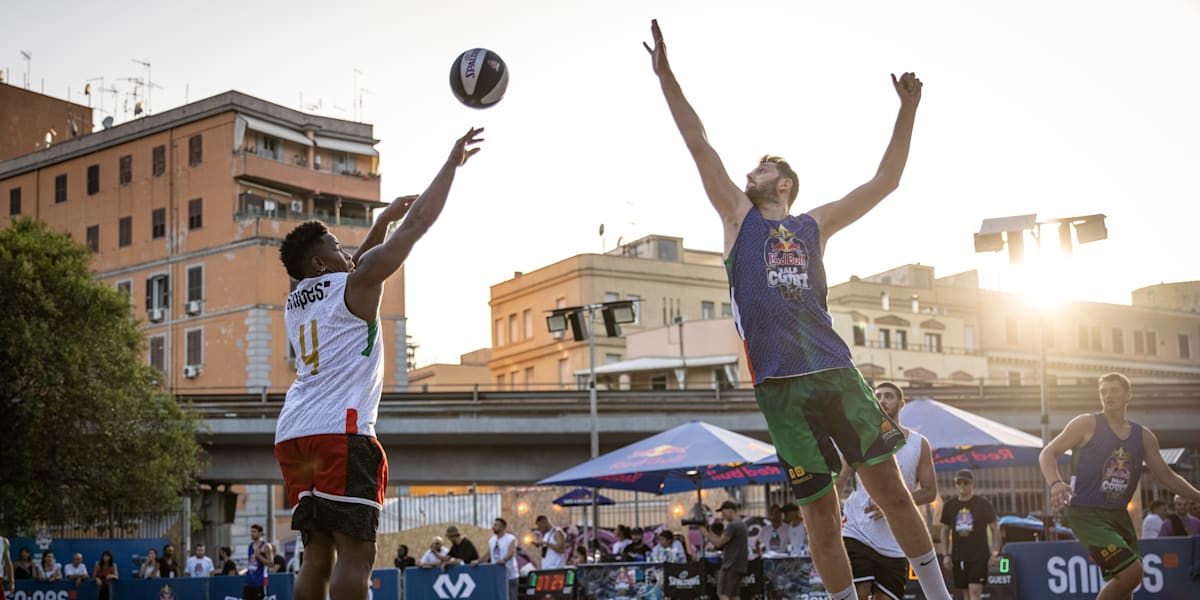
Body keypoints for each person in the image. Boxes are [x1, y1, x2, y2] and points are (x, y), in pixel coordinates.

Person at [643, 18, 947, 600]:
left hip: (834, 370)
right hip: (780, 386)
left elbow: (886, 180)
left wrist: (907, 109)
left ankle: (939, 596)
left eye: (764, 167)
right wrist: (666, 73)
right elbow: (696, 139)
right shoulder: (737, 217)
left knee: (890, 489)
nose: (750, 171)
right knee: (820, 517)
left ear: (786, 184)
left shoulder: (814, 225)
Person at [275, 127, 484, 600]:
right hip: (341, 432)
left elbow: (356, 262)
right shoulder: (355, 283)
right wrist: (449, 165)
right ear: (318, 263)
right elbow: (417, 227)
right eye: (333, 243)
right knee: (356, 553)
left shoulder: (296, 301)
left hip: (294, 434)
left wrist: (382, 219)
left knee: (317, 554)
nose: (344, 249)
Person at [1039, 372, 1200, 600]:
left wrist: (1197, 496)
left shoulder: (1143, 436)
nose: (1108, 396)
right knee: (1131, 574)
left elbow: (1166, 475)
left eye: (1114, 390)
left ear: (1128, 395)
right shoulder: (1086, 423)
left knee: (1125, 587)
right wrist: (1055, 483)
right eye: (1103, 392)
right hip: (1086, 513)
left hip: (1118, 515)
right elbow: (1047, 453)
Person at [838, 381, 937, 600]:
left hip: (896, 539)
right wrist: (830, 518)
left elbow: (929, 492)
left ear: (901, 404)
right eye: (879, 396)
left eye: (889, 396)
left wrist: (892, 505)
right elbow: (840, 479)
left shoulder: (919, 444)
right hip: (857, 530)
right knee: (859, 594)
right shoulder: (859, 437)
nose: (882, 400)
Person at [938, 469, 999, 600]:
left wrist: (995, 552)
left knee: (975, 591)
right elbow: (944, 530)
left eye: (966, 482)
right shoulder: (949, 505)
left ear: (972, 484)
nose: (962, 486)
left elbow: (995, 528)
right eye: (959, 482)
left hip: (979, 555)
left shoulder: (983, 504)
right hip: (958, 555)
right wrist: (946, 555)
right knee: (965, 592)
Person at [702, 500, 749, 600]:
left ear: (730, 510)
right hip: (740, 565)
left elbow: (719, 543)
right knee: (734, 595)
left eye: (723, 512)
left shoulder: (732, 526)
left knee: (723, 593)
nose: (722, 516)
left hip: (730, 565)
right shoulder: (742, 525)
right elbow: (721, 541)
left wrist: (705, 533)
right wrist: (709, 530)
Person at [472, 517, 518, 598]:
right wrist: (477, 562)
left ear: (503, 527)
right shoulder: (492, 540)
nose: (493, 527)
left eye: (496, 525)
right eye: (494, 525)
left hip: (510, 575)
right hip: (497, 574)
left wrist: (504, 560)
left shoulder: (511, 538)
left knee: (511, 596)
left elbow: (512, 552)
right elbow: (488, 554)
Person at [244, 524, 273, 600]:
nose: (252, 534)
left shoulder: (266, 546)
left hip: (260, 582)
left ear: (260, 533)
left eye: (254, 532)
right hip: (249, 581)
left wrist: (259, 555)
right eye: (251, 532)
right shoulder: (250, 545)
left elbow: (271, 564)